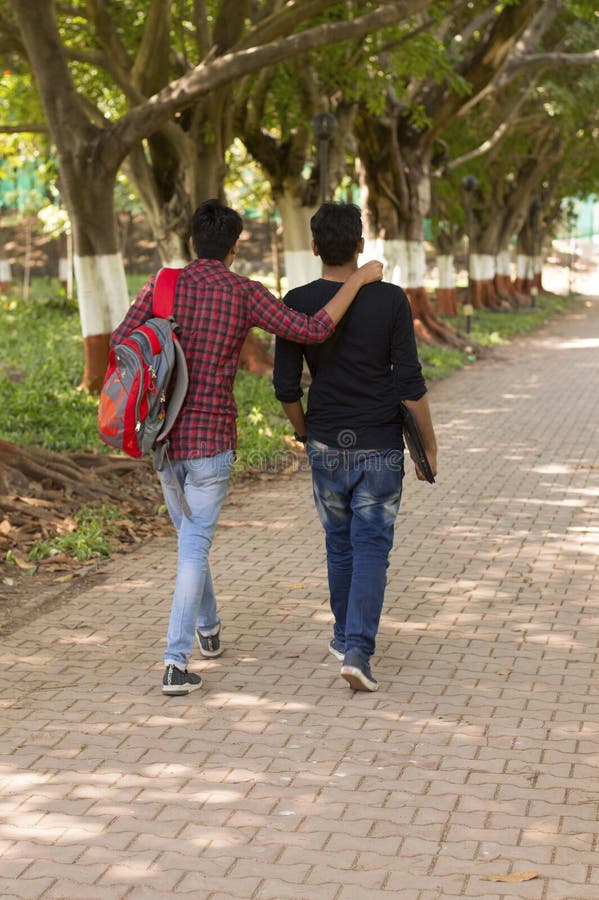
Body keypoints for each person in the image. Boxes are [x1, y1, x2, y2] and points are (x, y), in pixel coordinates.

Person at [110, 199, 383, 696]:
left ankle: (209, 630)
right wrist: (360, 279)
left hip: (164, 439)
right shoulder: (243, 292)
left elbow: (121, 342)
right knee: (194, 543)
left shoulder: (163, 284)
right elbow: (313, 329)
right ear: (235, 247)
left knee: (192, 538)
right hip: (211, 441)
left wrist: (166, 344)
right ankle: (175, 662)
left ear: (194, 241)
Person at [273, 202, 437, 692]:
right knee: (371, 546)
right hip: (381, 443)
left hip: (326, 440)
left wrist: (305, 432)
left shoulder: (297, 300)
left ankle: (346, 635)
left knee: (339, 541)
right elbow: (409, 383)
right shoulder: (390, 300)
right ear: (361, 245)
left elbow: (286, 386)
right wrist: (427, 445)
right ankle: (358, 650)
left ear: (316, 247)